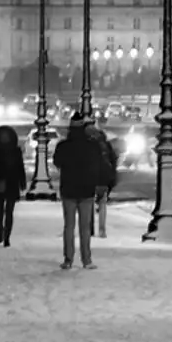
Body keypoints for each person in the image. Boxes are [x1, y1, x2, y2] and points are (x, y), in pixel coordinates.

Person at [53, 113, 104, 269]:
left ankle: (68, 259)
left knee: (69, 226)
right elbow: (98, 165)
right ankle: (86, 259)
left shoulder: (63, 146)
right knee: (85, 227)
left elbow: (57, 162)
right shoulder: (92, 145)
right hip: (86, 189)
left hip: (68, 189)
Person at [0, 125, 26, 246]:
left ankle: (6, 235)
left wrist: (22, 181)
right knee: (0, 211)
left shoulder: (13, 150)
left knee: (8, 211)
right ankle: (1, 231)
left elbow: (20, 167)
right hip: (2, 182)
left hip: (8, 182)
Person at [88, 125, 118, 239]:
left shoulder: (89, 146)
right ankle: (102, 230)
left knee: (89, 203)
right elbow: (114, 161)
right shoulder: (106, 145)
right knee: (102, 204)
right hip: (105, 177)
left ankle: (90, 229)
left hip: (91, 178)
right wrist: (112, 177)